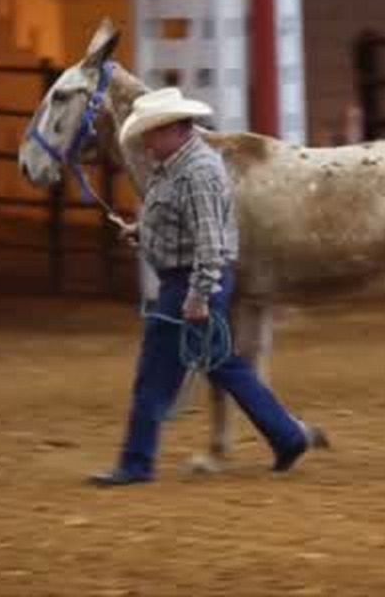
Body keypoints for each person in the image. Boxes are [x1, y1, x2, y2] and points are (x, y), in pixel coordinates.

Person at [90, 87, 327, 487]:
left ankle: (135, 463)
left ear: (172, 130)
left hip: (187, 285)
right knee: (224, 366)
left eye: (150, 132)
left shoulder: (196, 171)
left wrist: (198, 295)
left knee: (155, 374)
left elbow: (211, 241)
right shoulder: (177, 165)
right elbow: (183, 221)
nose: (145, 142)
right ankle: (287, 437)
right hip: (189, 282)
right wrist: (144, 231)